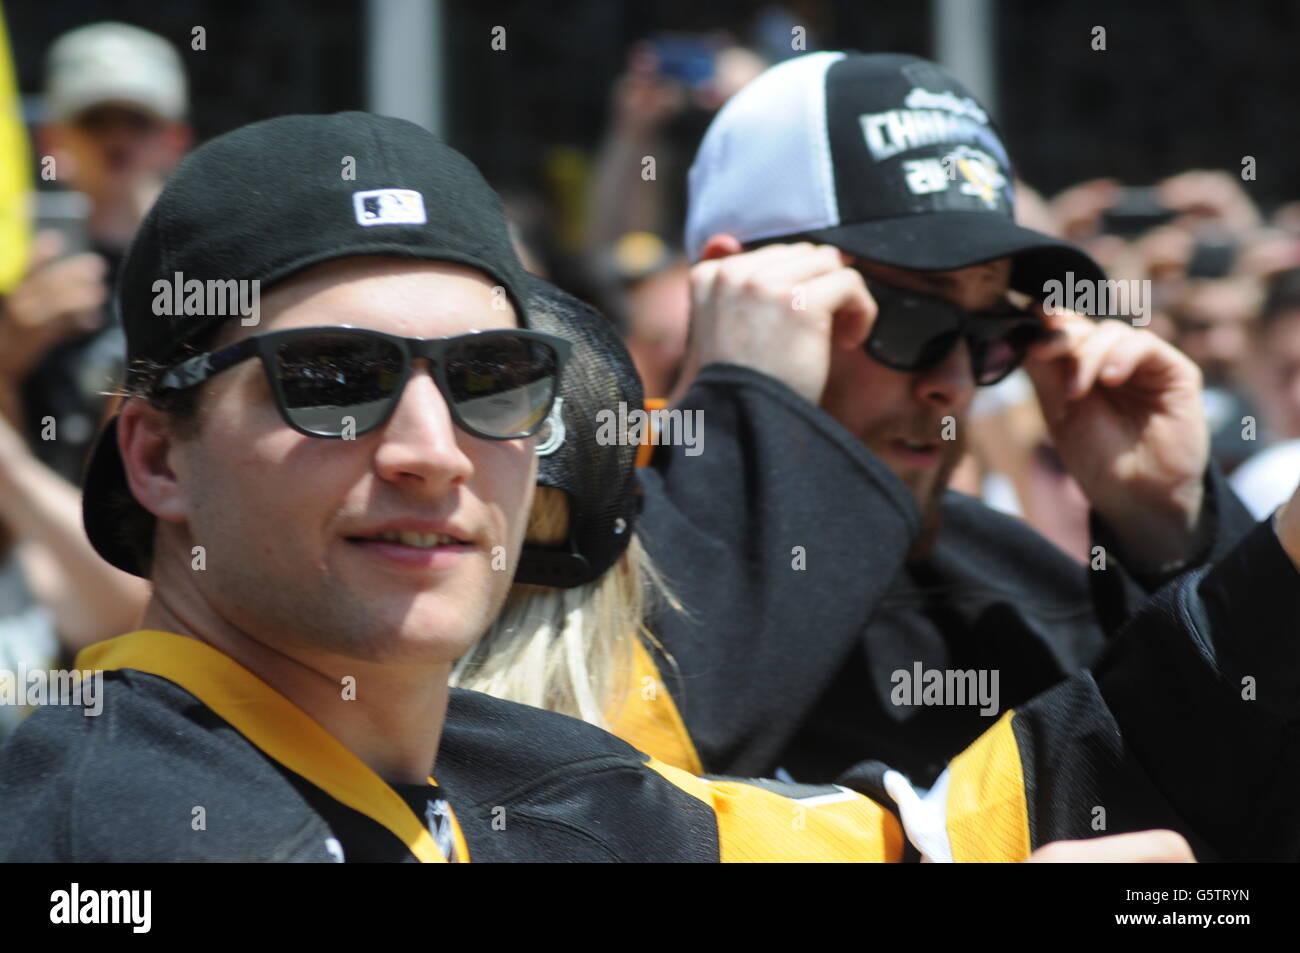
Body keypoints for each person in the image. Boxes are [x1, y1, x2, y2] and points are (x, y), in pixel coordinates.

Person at [2, 111, 1282, 863]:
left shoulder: (532, 778)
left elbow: (1003, 806)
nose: (430, 446)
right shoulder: (99, 813)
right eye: (330, 377)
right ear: (156, 455)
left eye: (496, 376)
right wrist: (760, 422)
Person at [608, 51, 1259, 787]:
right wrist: (754, 419)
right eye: (910, 316)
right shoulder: (569, 548)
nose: (953, 384)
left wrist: (1177, 536)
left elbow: (1249, 809)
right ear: (734, 290)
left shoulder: (1017, 590)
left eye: (993, 336)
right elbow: (618, 788)